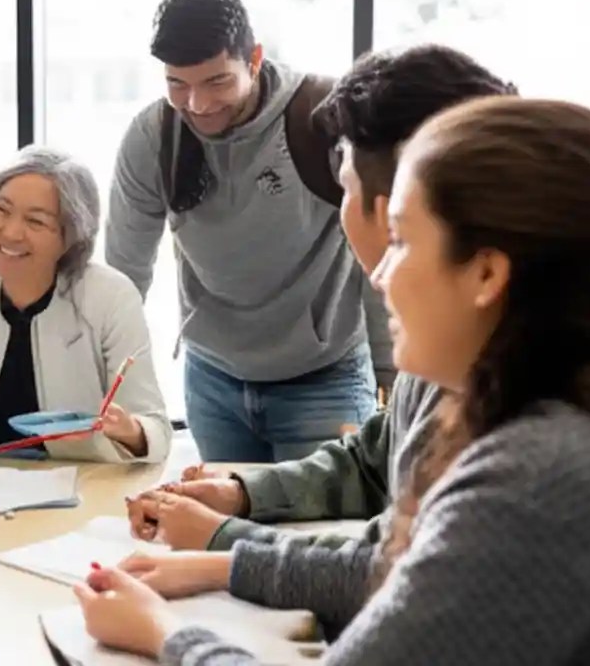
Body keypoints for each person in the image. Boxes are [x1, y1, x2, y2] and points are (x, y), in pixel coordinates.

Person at [77, 97, 590, 664]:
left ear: (485, 274)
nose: (379, 275)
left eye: (401, 240)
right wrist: (225, 562)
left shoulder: (532, 476)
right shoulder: (537, 422)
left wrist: (163, 632)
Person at [126, 45, 515, 551]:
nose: (198, 105)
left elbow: (388, 576)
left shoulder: (526, 434)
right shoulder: (449, 360)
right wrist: (238, 494)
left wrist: (222, 546)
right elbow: (370, 468)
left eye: (346, 187)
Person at [105, 0, 391, 462]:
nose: (196, 104)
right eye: (178, 83)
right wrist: (111, 380)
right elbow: (124, 272)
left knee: (323, 534)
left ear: (254, 58)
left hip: (323, 379)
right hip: (212, 381)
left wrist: (389, 373)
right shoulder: (154, 137)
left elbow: (378, 255)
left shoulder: (323, 120)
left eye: (217, 82)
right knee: (218, 535)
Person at [0, 146, 173, 463]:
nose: (11, 232)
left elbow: (156, 433)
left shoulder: (110, 297)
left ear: (73, 237)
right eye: (1, 210)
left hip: (84, 491)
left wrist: (130, 431)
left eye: (35, 221)